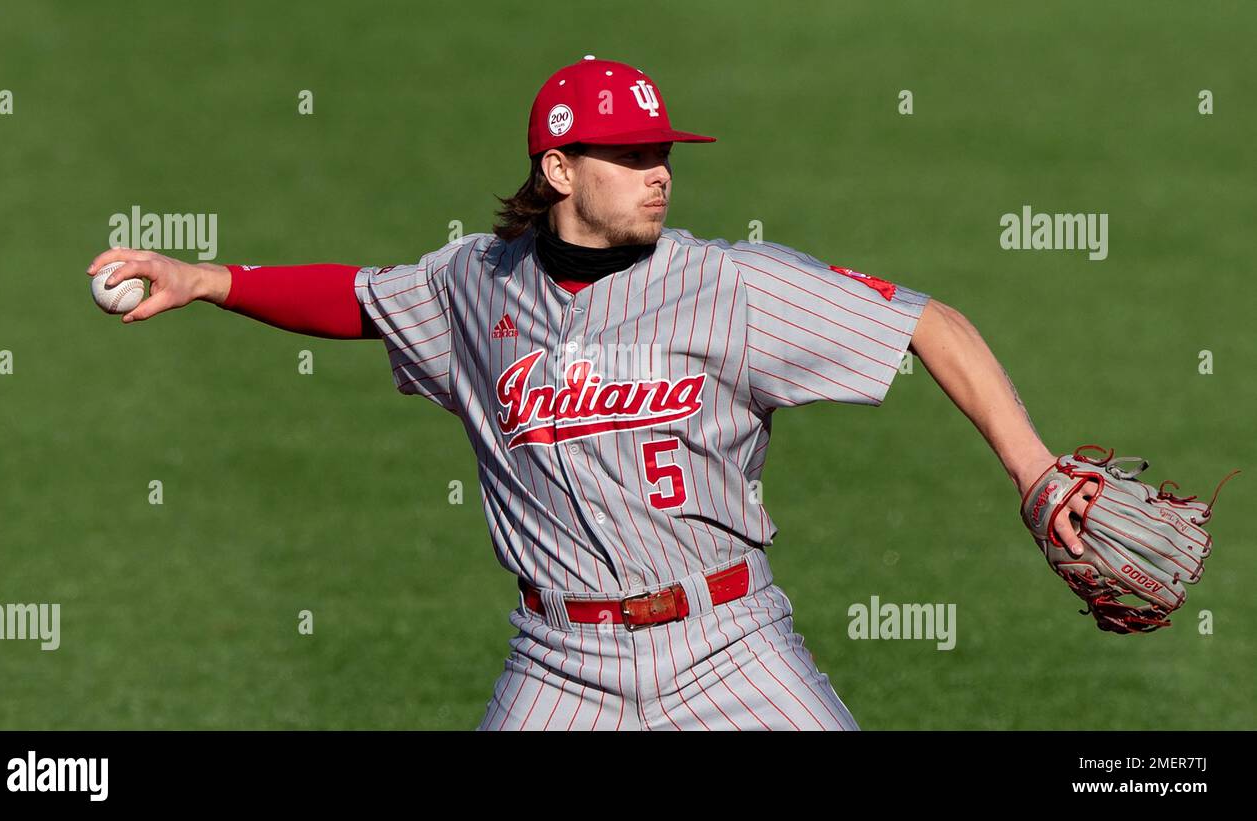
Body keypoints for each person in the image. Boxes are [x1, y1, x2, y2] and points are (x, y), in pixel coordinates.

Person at [87, 56, 1095, 730]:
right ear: (560, 166)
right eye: (629, 156)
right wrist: (207, 281)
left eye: (662, 153)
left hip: (728, 645)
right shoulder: (470, 284)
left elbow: (927, 322)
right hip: (559, 660)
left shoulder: (731, 282)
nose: (657, 173)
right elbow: (354, 298)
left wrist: (1033, 467)